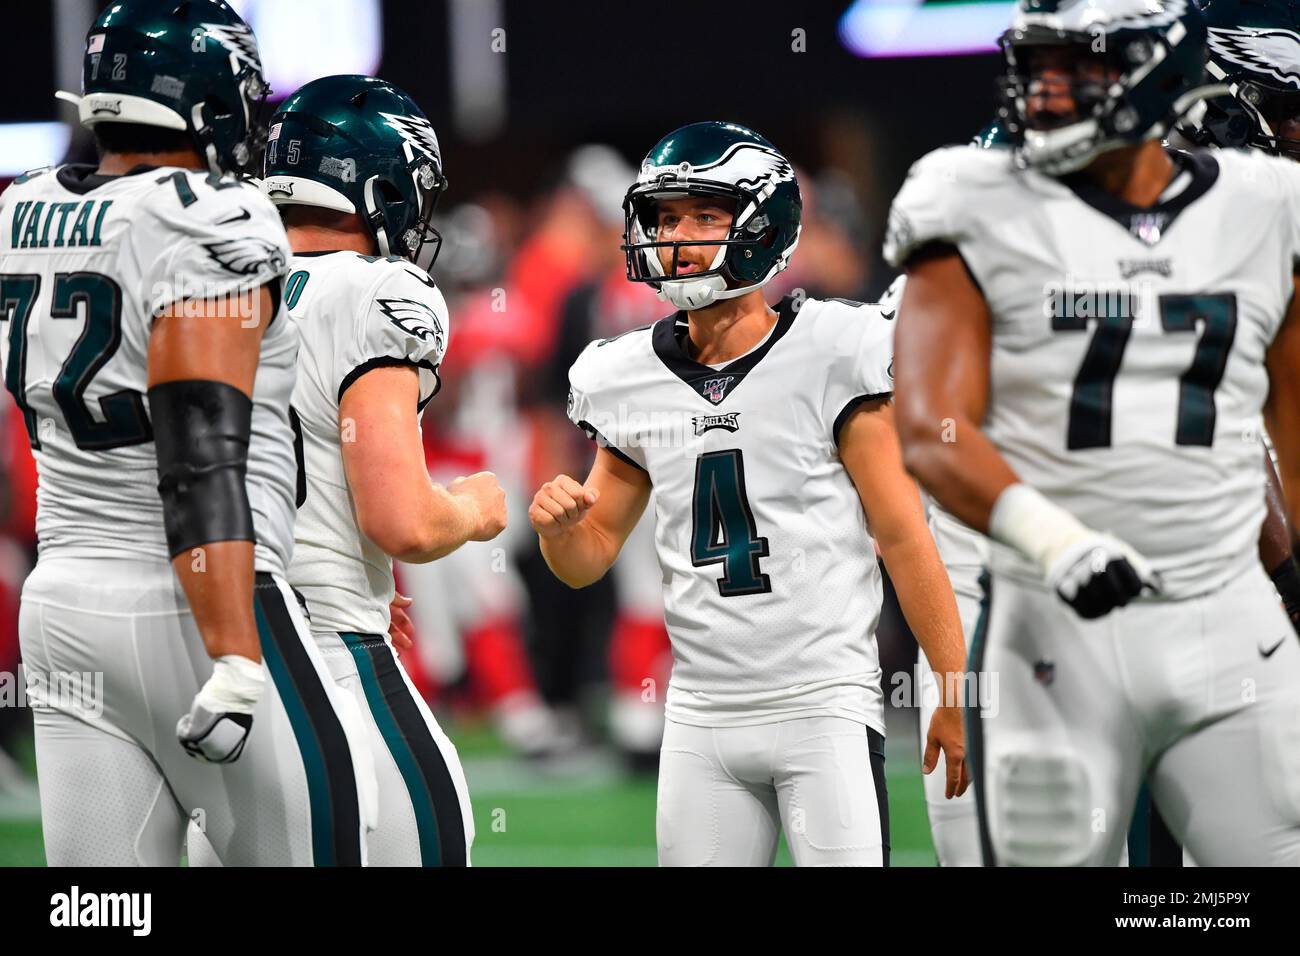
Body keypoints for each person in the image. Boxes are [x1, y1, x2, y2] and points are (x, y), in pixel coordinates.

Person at [888, 0, 1300, 865]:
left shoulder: (1264, 207)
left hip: (1214, 610)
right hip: (1030, 610)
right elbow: (930, 431)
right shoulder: (977, 197)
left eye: (1080, 67)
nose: (1049, 92)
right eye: (1044, 67)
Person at [529, 121, 969, 866]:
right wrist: (559, 530)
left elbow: (902, 536)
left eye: (706, 215)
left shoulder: (834, 348)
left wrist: (955, 688)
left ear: (766, 225)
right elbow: (589, 556)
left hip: (823, 702)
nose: (679, 237)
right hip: (700, 712)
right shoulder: (625, 372)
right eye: (666, 218)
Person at [1, 0, 375, 865]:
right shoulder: (210, 215)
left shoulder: (23, 207)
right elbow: (199, 446)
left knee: (103, 909)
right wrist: (236, 651)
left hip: (61, 601)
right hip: (196, 598)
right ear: (209, 101)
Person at [261, 74, 505, 866]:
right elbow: (401, 519)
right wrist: (472, 506)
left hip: (203, 643)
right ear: (380, 184)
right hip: (326, 646)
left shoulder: (209, 278)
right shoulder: (377, 288)